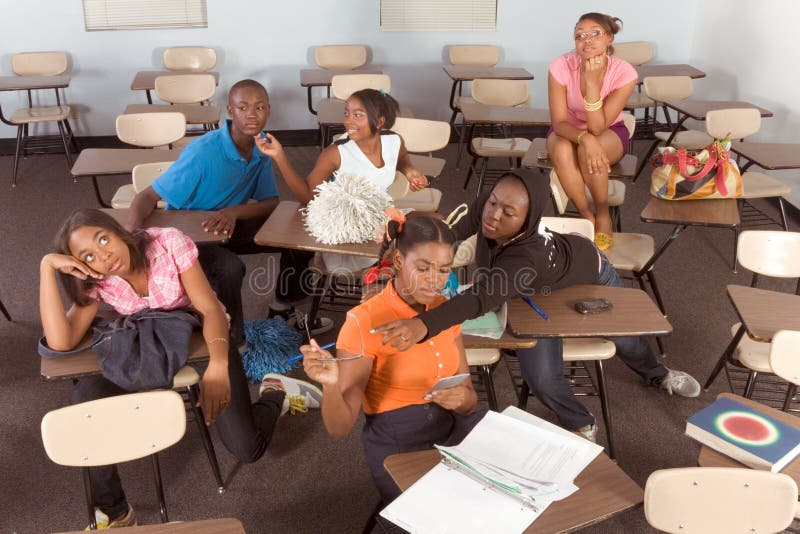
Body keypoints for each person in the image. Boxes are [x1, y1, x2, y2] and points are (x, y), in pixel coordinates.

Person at [39, 209, 322, 528]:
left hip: (205, 345)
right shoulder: (99, 279)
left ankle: (276, 393)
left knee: (248, 448)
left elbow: (210, 308)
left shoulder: (168, 243)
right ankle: (115, 510)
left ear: (117, 231)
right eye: (88, 256)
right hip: (151, 351)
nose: (103, 255)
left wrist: (217, 365)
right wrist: (47, 267)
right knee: (85, 397)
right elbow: (60, 341)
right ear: (83, 266)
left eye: (103, 239)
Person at [370, 170, 701, 441]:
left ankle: (656, 375)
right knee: (540, 374)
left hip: (589, 272)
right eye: (493, 202)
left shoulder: (526, 256)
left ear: (527, 220)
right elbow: (446, 234)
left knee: (620, 341)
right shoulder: (489, 207)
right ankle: (579, 416)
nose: (493, 215)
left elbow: (480, 297)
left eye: (508, 212)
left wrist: (423, 325)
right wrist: (407, 235)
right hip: (527, 290)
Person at [126, 79, 331, 342]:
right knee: (229, 268)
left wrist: (234, 213)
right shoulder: (203, 152)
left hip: (230, 225)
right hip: (193, 234)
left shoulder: (261, 146)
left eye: (259, 108)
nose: (251, 115)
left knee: (298, 231)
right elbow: (147, 196)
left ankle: (282, 307)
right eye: (243, 107)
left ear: (268, 110)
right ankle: (233, 339)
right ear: (230, 111)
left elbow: (270, 203)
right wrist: (131, 234)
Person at [301, 215, 486, 503]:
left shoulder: (445, 311)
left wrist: (461, 399)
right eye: (423, 268)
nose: (434, 281)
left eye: (444, 270)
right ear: (398, 260)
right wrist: (330, 385)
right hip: (399, 444)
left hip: (452, 430)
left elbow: (471, 401)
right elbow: (339, 429)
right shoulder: (364, 322)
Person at [547, 12, 637, 250]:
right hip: (568, 129)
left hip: (609, 129)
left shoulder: (625, 73)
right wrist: (584, 137)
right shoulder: (560, 65)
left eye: (595, 33)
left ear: (609, 38)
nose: (586, 40)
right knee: (564, 150)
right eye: (579, 35)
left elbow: (598, 127)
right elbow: (559, 122)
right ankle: (587, 214)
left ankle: (603, 213)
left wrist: (591, 83)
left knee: (589, 151)